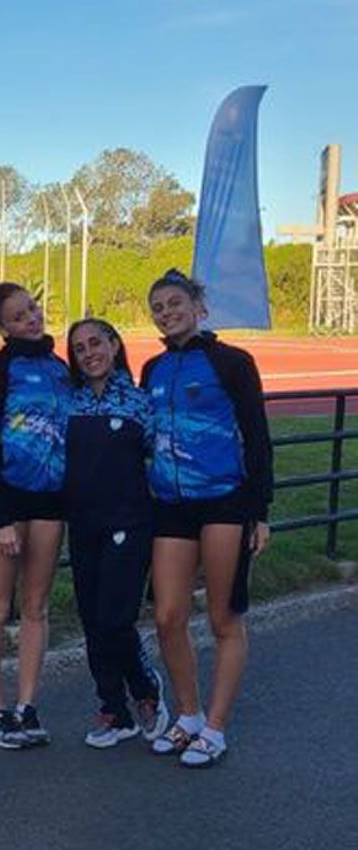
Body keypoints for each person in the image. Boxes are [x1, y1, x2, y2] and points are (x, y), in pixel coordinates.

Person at [140, 269, 273, 768]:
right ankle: (189, 715)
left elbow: (257, 437)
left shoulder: (233, 362)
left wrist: (259, 511)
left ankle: (215, 729)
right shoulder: (152, 369)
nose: (167, 313)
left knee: (223, 617)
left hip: (224, 502)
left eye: (175, 303)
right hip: (170, 506)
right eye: (158, 307)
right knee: (168, 616)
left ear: (199, 306)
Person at [0, 279, 71, 749]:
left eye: (32, 308)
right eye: (18, 317)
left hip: (51, 503)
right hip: (4, 505)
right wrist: (1, 515)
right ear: (2, 327)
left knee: (36, 607)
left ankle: (27, 706)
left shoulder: (58, 368)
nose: (31, 319)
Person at [65, 318, 169, 749]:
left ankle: (145, 688)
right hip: (83, 524)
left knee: (115, 618)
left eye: (96, 342)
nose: (89, 352)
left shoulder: (140, 403)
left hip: (129, 523)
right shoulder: (69, 403)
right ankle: (114, 709)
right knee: (92, 621)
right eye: (79, 348)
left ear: (114, 344)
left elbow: (160, 459)